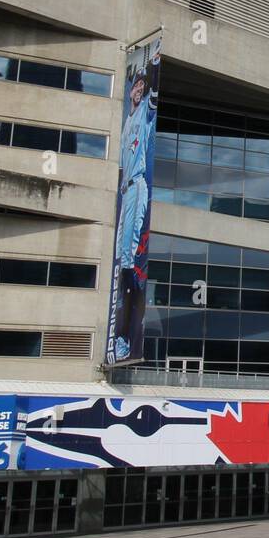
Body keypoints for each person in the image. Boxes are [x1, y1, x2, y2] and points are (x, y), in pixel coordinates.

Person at [112, 48, 159, 362]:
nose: (139, 89)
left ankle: (126, 338)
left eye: (143, 85)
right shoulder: (127, 118)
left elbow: (154, 93)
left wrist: (153, 65)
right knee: (120, 258)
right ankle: (121, 332)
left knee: (128, 258)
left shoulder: (144, 112)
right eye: (137, 85)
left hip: (137, 185)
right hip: (123, 188)